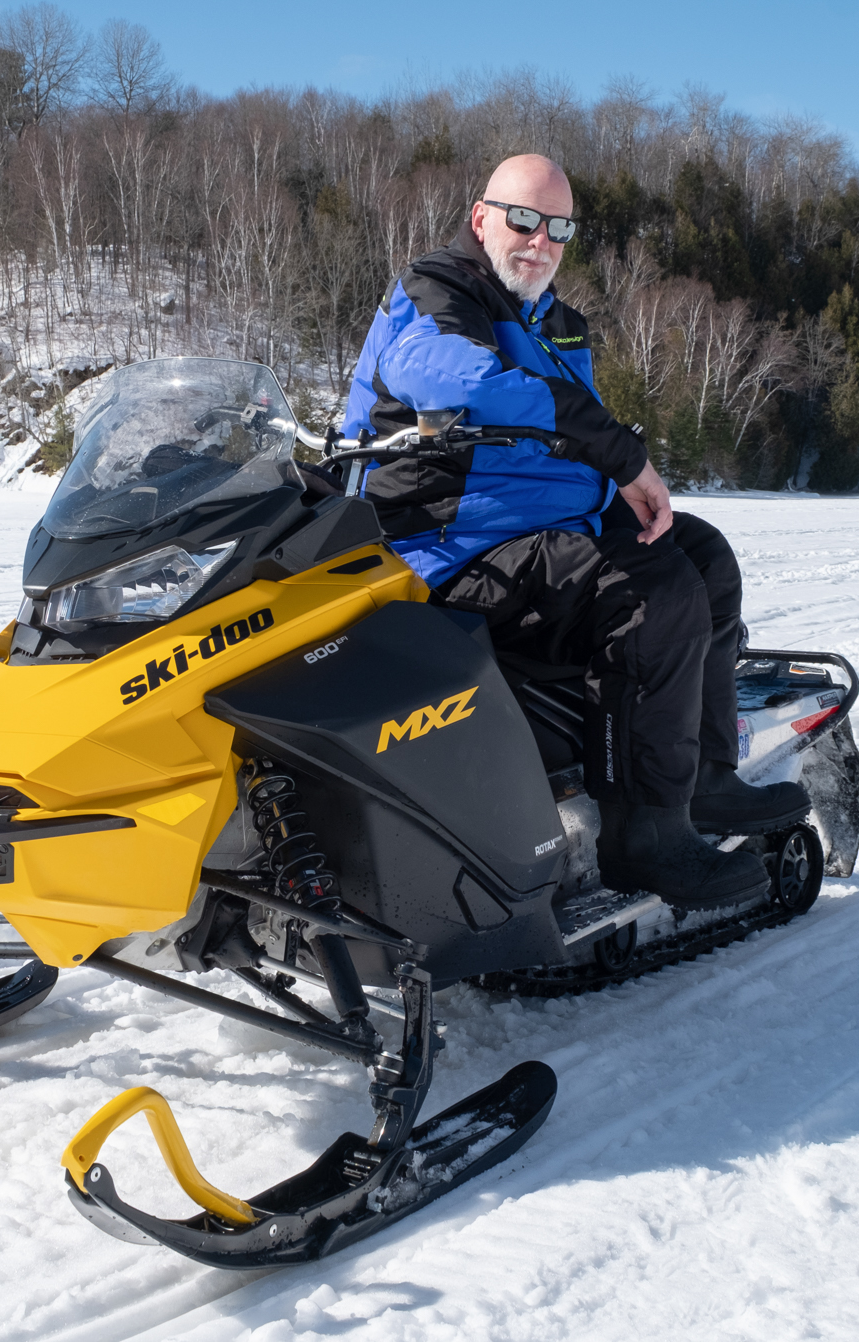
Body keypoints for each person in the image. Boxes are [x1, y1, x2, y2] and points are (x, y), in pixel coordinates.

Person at [341, 153, 808, 909]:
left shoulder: (556, 320)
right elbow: (455, 381)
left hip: (541, 531)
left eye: (558, 228)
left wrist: (619, 491)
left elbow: (557, 442)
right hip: (445, 546)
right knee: (649, 590)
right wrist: (621, 452)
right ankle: (646, 835)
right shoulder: (439, 290)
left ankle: (707, 777)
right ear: (480, 217)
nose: (540, 241)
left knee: (699, 554)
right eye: (523, 219)